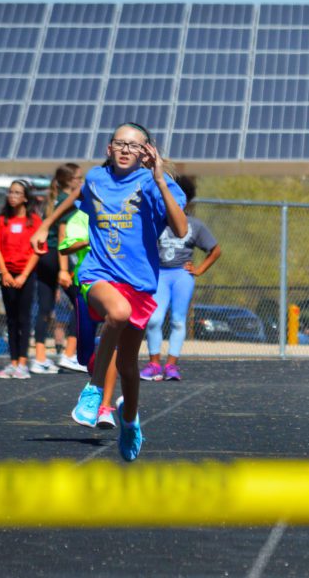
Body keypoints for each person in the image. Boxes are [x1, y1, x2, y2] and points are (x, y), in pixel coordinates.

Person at [31, 122, 187, 461]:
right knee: (117, 312)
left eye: (135, 145)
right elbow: (76, 196)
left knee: (130, 367)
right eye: (121, 144)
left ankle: (130, 421)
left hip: (140, 284)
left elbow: (180, 227)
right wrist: (44, 225)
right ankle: (94, 388)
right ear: (109, 148)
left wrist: (160, 179)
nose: (126, 150)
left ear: (147, 151)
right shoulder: (96, 179)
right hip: (98, 274)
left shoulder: (156, 184)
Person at [141, 175, 221, 382]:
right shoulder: (155, 222)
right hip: (159, 276)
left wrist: (199, 269)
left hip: (181, 277)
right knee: (154, 319)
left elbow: (215, 250)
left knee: (178, 320)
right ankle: (154, 364)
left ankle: (171, 366)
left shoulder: (194, 225)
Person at [59, 209, 120, 427]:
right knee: (85, 357)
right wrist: (91, 239)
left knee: (115, 345)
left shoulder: (124, 214)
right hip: (86, 286)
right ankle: (97, 357)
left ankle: (105, 406)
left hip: (117, 285)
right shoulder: (81, 216)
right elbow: (65, 246)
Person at [31, 163, 87, 375]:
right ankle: (69, 354)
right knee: (82, 304)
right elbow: (63, 233)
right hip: (57, 256)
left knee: (44, 309)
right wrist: (64, 269)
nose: (81, 181)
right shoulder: (67, 201)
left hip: (45, 257)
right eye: (78, 178)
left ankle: (40, 358)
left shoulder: (52, 199)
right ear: (68, 180)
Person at [0, 180, 40, 379]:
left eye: (17, 193)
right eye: (11, 192)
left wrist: (24, 275)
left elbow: (38, 250)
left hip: (25, 276)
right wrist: (5, 274)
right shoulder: (3, 220)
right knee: (11, 320)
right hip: (8, 276)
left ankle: (23, 364)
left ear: (25, 197)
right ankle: (13, 362)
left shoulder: (34, 221)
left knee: (24, 319)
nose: (12, 196)